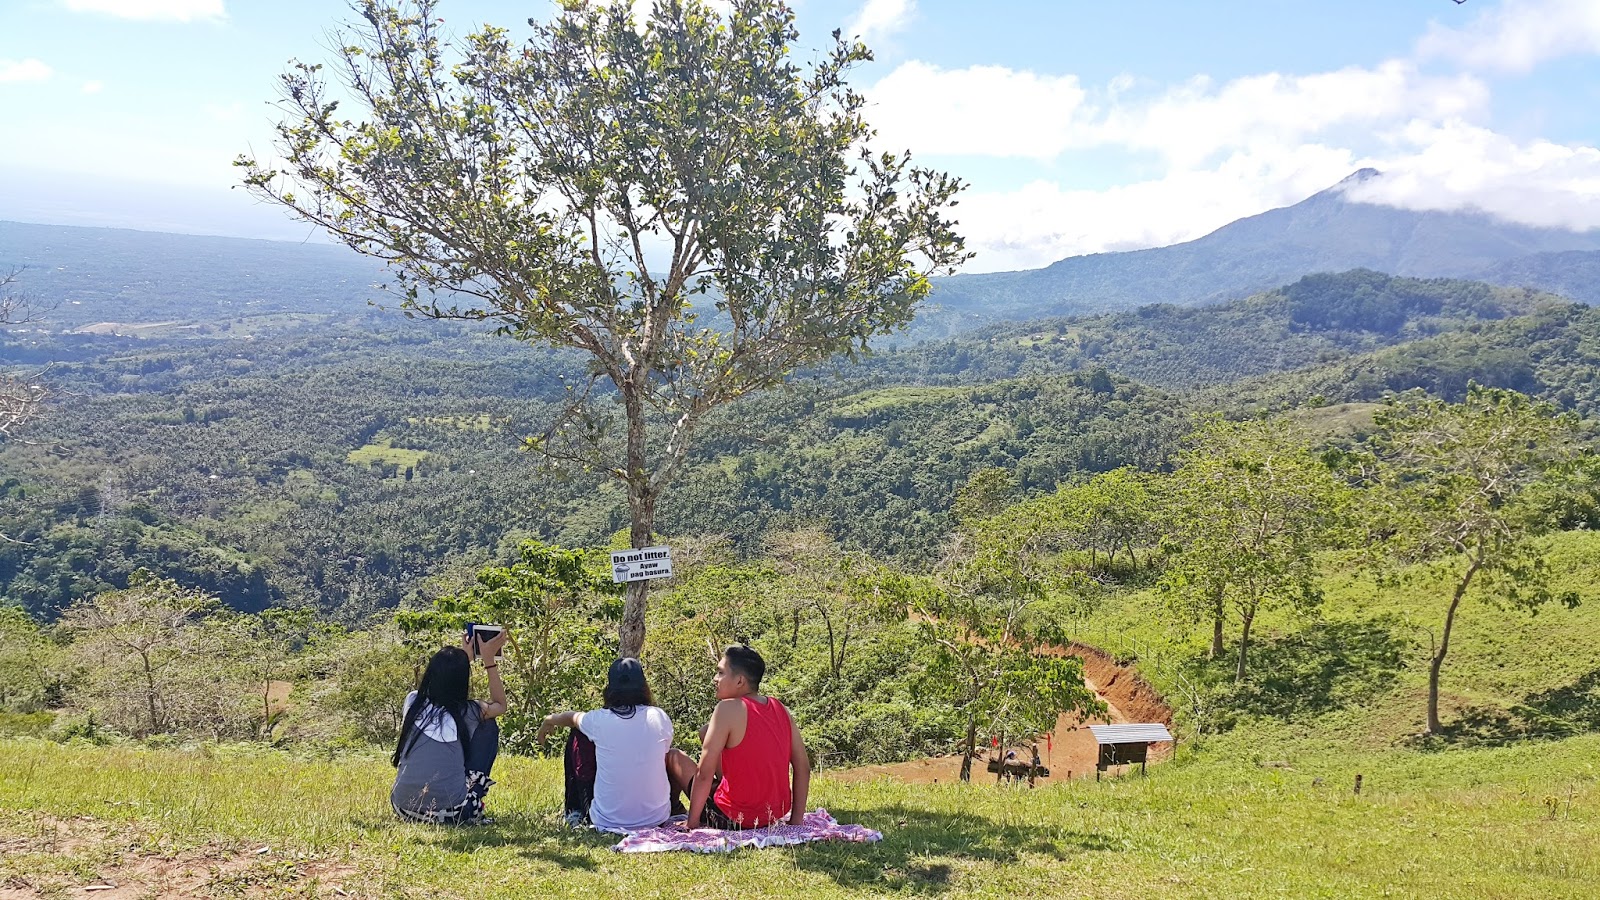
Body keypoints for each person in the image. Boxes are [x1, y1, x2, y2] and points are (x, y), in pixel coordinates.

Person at [537, 658, 686, 831]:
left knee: (578, 731)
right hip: (656, 817)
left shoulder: (598, 720)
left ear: (609, 690)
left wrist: (549, 720)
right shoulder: (660, 717)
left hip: (607, 819)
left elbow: (572, 717)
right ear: (644, 688)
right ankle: (675, 806)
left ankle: (575, 810)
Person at [390, 628, 509, 825]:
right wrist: (489, 660)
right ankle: (474, 793)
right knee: (488, 726)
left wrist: (463, 660)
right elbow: (500, 705)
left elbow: (445, 682)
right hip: (452, 813)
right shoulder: (470, 711)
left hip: (403, 807)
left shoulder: (413, 702)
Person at [683, 645, 810, 830]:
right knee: (705, 732)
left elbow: (704, 774)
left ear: (740, 681)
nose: (715, 679)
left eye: (720, 672)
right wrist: (796, 821)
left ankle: (677, 810)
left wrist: (692, 824)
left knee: (675, 758)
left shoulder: (727, 708)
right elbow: (803, 768)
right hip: (772, 815)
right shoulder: (779, 707)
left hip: (733, 818)